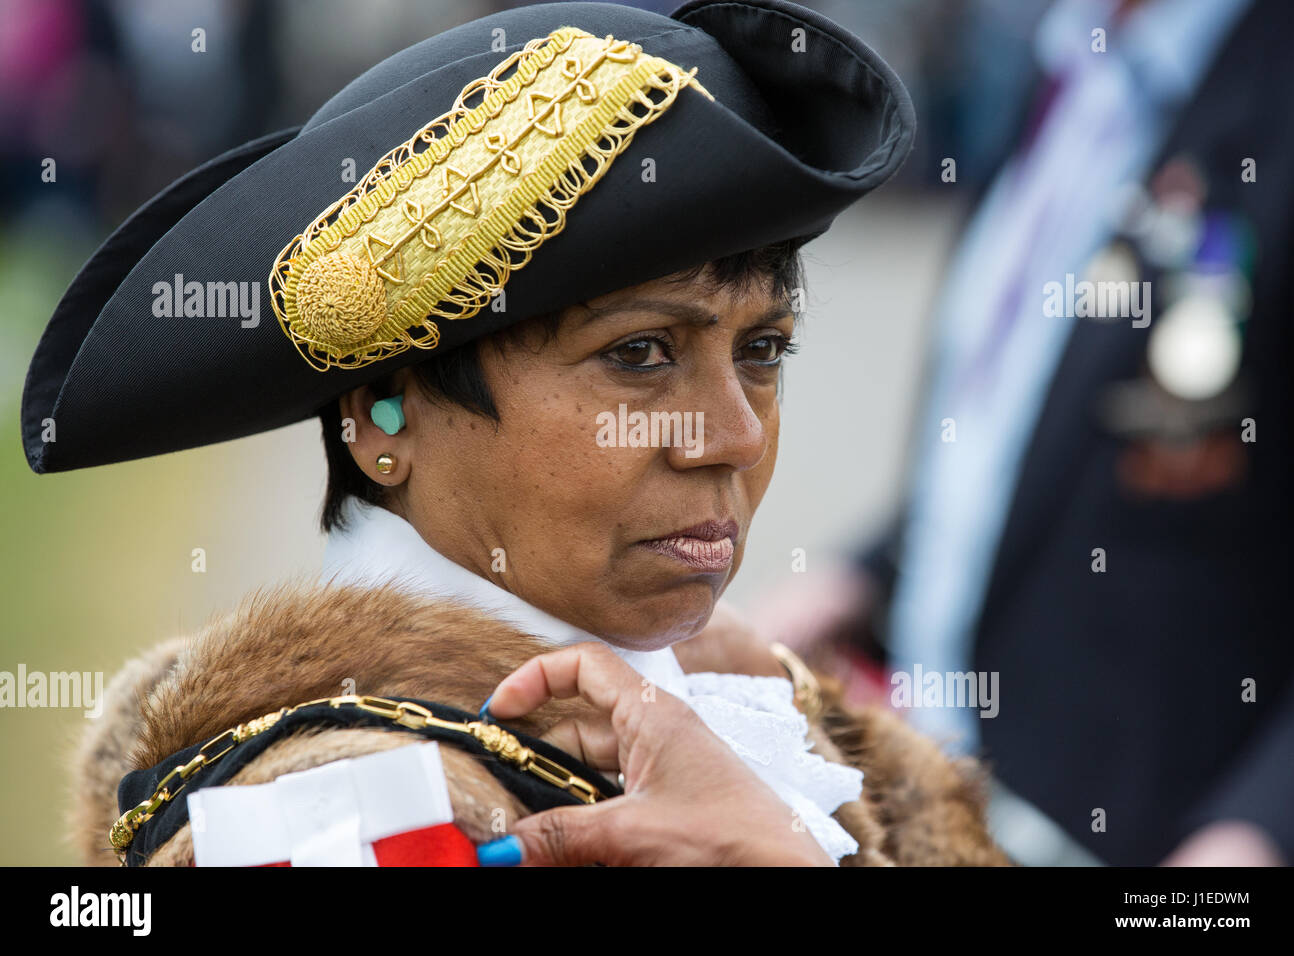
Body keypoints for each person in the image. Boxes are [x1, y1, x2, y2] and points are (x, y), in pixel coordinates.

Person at [24, 0, 1008, 867]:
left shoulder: (765, 712)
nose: (735, 434)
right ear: (384, 414)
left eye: (762, 350)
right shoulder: (348, 815)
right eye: (640, 355)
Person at [763, 0, 1294, 866]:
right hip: (942, 783)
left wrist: (1259, 834)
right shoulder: (1069, 63)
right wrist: (857, 581)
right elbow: (1012, 429)